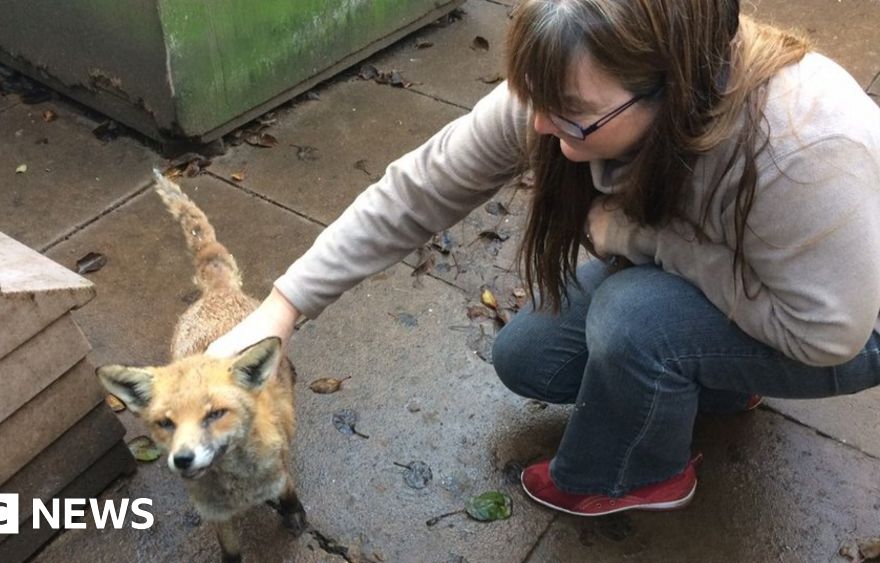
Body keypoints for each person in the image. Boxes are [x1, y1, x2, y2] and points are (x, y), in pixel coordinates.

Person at [206, 0, 880, 516]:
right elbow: (422, 187)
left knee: (634, 320)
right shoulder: (569, 88)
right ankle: (721, 379)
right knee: (528, 357)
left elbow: (829, 333)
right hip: (748, 275)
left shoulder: (800, 146)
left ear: (668, 88)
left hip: (846, 318)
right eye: (534, 97)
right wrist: (284, 305)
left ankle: (635, 478)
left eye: (571, 114)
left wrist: (640, 241)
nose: (536, 126)